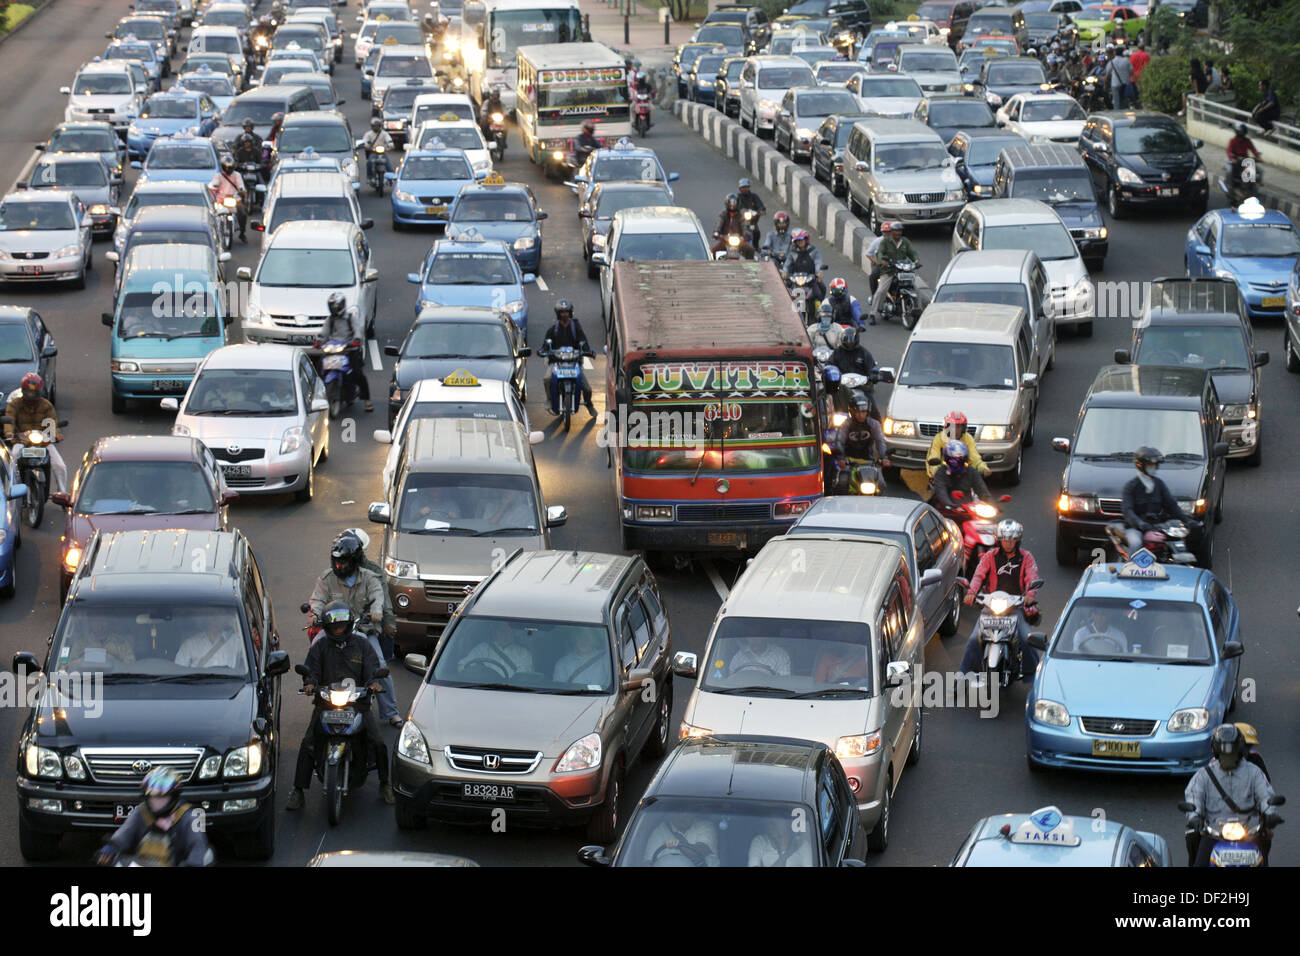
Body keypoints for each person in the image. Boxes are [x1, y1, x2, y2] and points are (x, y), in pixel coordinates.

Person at [287, 601, 394, 810]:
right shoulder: (320, 646)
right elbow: (311, 669)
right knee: (309, 742)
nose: (338, 630)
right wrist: (309, 683)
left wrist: (373, 683)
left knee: (378, 742)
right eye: (335, 627)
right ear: (327, 627)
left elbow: (373, 668)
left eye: (342, 626)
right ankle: (298, 791)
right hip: (326, 705)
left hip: (358, 705)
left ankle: (385, 784)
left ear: (348, 625)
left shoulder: (362, 645)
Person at [309, 530, 399, 724]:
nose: (340, 566)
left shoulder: (370, 577)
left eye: (345, 562)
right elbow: (317, 599)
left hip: (362, 629)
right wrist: (314, 614)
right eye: (337, 562)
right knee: (315, 648)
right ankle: (316, 696)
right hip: (332, 629)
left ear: (355, 560)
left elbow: (378, 596)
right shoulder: (327, 579)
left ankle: (391, 713)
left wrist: (377, 611)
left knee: (380, 665)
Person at [1184, 724, 1276, 866]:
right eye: (1224, 754)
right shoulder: (1204, 775)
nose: (1228, 758)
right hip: (1214, 834)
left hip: (1250, 833)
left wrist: (1269, 813)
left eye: (1231, 754)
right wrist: (1194, 816)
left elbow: (1266, 796)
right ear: (1216, 752)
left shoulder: (1254, 773)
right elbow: (1194, 795)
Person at [959, 519, 1040, 680]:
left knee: (1026, 638)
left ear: (1017, 540)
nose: (1008, 543)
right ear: (999, 540)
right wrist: (971, 592)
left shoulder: (1026, 557)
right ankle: (962, 676)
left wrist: (1030, 596)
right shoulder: (990, 556)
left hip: (1016, 607)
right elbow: (978, 575)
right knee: (975, 638)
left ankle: (1035, 677)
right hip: (991, 606)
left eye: (1011, 539)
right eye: (1004, 539)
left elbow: (1032, 577)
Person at [95, 767, 213, 866]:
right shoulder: (142, 810)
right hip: (144, 863)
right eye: (153, 798)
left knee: (208, 855)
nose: (156, 803)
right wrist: (110, 849)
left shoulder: (191, 815)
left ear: (174, 797)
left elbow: (198, 847)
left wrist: (192, 864)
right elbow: (124, 834)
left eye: (162, 798)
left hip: (178, 863)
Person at [1120, 447, 1197, 555]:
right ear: (1141, 465)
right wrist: (1140, 524)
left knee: (1177, 540)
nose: (1154, 468)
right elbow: (1128, 511)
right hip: (1135, 528)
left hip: (1157, 526)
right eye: (1151, 465)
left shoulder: (1159, 484)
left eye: (1155, 465)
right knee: (1136, 543)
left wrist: (1187, 520)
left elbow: (1171, 506)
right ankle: (1130, 570)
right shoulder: (1130, 487)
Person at [3, 372, 67, 494]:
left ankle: (62, 493)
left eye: (34, 392)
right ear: (23, 390)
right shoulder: (15, 404)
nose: (31, 394)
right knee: (12, 459)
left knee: (60, 466)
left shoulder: (46, 405)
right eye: (29, 391)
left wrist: (56, 434)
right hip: (21, 439)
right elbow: (9, 420)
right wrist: (9, 433)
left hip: (43, 441)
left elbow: (51, 423)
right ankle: (10, 489)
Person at [348, 527, 397, 661]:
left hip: (366, 627)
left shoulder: (374, 571)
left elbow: (383, 599)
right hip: (339, 627)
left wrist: (388, 622)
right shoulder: (333, 573)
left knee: (380, 663)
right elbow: (320, 598)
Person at [540, 300, 597, 416]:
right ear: (558, 314)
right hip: (557, 362)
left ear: (570, 313)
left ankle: (589, 404)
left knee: (587, 388)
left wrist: (588, 351)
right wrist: (543, 351)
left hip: (574, 362)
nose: (564, 315)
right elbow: (545, 345)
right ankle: (549, 400)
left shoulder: (576, 328)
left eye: (566, 312)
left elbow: (583, 342)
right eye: (562, 312)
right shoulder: (552, 330)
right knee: (547, 379)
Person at [320, 292, 372, 411]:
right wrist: (319, 341)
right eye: (332, 306)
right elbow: (324, 333)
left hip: (349, 350)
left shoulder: (350, 318)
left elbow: (357, 332)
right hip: (333, 350)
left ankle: (368, 400)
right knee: (320, 368)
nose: (334, 308)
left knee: (357, 374)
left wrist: (356, 341)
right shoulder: (330, 320)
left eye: (336, 306)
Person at [869, 221, 920, 322]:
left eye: (900, 231)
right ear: (892, 231)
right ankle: (872, 314)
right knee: (881, 291)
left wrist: (916, 261)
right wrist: (882, 261)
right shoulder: (885, 242)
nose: (898, 233)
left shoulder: (905, 241)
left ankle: (916, 309)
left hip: (903, 269)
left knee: (915, 287)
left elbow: (912, 252)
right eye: (896, 231)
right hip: (889, 270)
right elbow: (880, 252)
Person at [930, 439, 993, 511]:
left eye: (960, 460)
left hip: (967, 508)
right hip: (945, 510)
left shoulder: (971, 471)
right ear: (946, 459)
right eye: (952, 460)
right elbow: (941, 493)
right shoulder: (940, 473)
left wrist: (990, 505)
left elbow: (983, 491)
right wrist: (951, 506)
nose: (956, 463)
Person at [925, 411, 990, 480]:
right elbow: (932, 459)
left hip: (963, 475)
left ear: (963, 428)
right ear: (947, 427)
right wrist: (936, 473)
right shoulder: (939, 438)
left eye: (958, 426)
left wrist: (983, 468)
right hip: (943, 475)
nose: (955, 430)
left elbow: (975, 459)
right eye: (952, 426)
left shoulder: (968, 438)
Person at [829, 388, 886, 464]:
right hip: (848, 462)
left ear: (867, 411)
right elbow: (839, 442)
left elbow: (880, 441)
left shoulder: (874, 424)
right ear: (852, 412)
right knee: (843, 476)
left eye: (863, 411)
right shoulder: (846, 424)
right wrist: (840, 459)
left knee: (879, 476)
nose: (861, 415)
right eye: (857, 412)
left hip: (869, 462)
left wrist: (884, 457)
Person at [459, 621, 533, 676]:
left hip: (513, 692)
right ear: (495, 632)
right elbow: (462, 666)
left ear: (513, 633)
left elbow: (523, 677)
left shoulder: (523, 653)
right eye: (501, 630)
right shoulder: (482, 648)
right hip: (482, 688)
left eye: (508, 631)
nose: (505, 634)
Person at [645, 812, 720, 866]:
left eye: (687, 812)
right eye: (679, 812)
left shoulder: (706, 826)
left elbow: (702, 849)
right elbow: (648, 862)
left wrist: (678, 844)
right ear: (672, 814)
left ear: (693, 813)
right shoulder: (660, 831)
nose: (683, 816)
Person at [174, 619, 244, 669]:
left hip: (232, 685)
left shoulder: (236, 642)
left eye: (219, 616)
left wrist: (236, 626)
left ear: (225, 621)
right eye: (212, 616)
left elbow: (252, 656)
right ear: (205, 621)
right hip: (198, 687)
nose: (214, 621)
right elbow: (178, 671)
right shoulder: (190, 644)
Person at [209, 155, 247, 241]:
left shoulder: (237, 175)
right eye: (226, 167)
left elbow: (241, 186)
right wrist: (213, 188)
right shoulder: (218, 176)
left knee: (242, 213)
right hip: (221, 200)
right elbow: (212, 185)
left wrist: (241, 191)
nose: (228, 170)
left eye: (229, 167)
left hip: (235, 199)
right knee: (213, 214)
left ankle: (242, 233)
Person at [781, 228, 826, 303]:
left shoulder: (814, 251)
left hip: (811, 279)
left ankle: (820, 309)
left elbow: (818, 262)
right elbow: (787, 264)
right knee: (784, 290)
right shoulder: (792, 252)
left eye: (802, 239)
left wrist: (819, 272)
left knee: (822, 288)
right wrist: (785, 272)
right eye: (797, 240)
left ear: (806, 239)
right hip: (795, 280)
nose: (800, 242)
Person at [748, 818, 814, 866]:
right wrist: (787, 854)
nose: (772, 825)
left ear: (788, 822)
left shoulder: (803, 845)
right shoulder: (760, 842)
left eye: (778, 819)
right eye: (770, 821)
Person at [712, 192, 755, 258]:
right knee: (714, 251)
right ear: (727, 203)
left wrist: (745, 235)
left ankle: (751, 267)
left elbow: (745, 226)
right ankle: (713, 267)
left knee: (750, 250)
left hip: (739, 241)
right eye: (730, 202)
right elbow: (719, 223)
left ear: (737, 203)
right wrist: (716, 232)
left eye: (734, 202)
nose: (732, 205)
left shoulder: (741, 216)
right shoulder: (723, 214)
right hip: (725, 241)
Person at [726, 635, 791, 677]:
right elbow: (731, 678)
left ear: (765, 637)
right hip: (742, 694)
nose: (754, 639)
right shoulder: (739, 656)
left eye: (758, 636)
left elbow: (784, 680)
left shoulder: (780, 655)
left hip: (772, 694)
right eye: (751, 636)